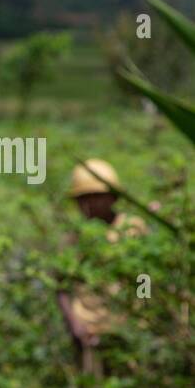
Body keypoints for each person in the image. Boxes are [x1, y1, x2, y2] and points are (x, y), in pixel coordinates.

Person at [56, 158, 148, 375]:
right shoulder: (74, 238)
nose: (89, 204)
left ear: (112, 196)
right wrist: (75, 325)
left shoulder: (132, 229)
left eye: (96, 196)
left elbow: (145, 276)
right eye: (83, 198)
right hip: (88, 330)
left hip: (127, 328)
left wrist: (141, 311)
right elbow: (60, 287)